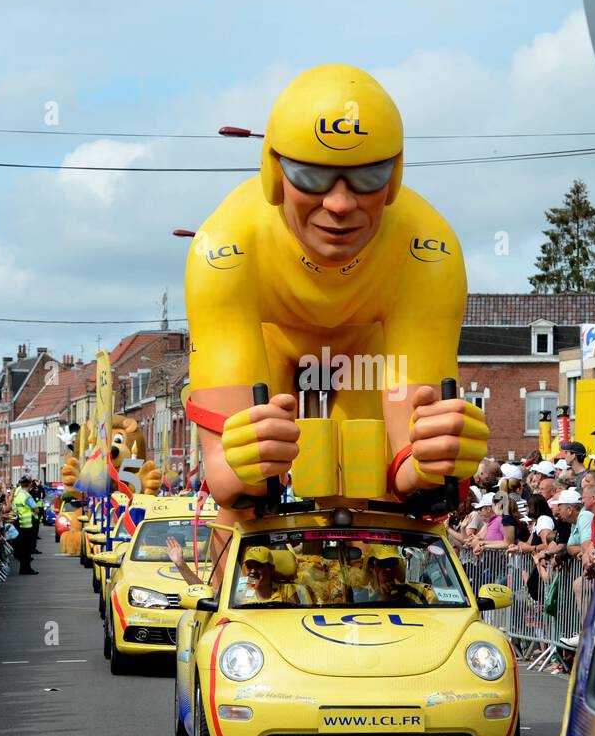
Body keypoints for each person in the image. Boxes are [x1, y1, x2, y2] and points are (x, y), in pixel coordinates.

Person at [184, 64, 487, 524]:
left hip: (365, 350)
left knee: (375, 497)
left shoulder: (428, 251)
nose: (340, 204)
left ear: (394, 179)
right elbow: (230, 482)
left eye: (367, 177)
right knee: (248, 502)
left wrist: (432, 462)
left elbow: (411, 474)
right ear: (273, 173)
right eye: (311, 176)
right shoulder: (223, 250)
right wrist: (246, 471)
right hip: (272, 347)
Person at [11, 477, 38, 575]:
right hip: (27, 526)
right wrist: (31, 511)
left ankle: (23, 568)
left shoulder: (18, 495)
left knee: (22, 548)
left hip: (19, 525)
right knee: (27, 549)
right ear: (29, 484)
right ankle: (26, 568)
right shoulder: (27, 496)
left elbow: (14, 508)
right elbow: (36, 509)